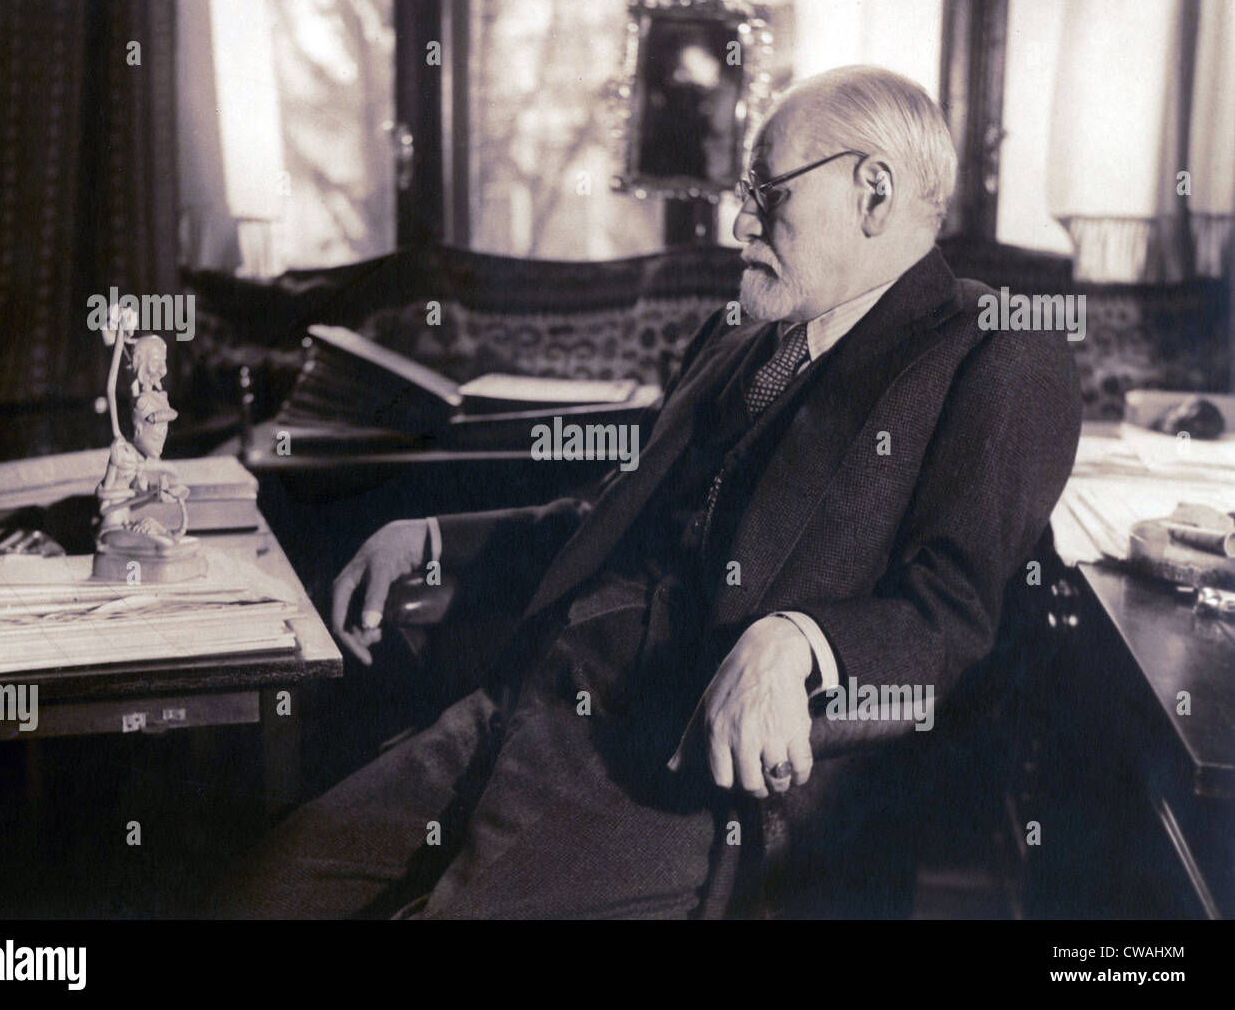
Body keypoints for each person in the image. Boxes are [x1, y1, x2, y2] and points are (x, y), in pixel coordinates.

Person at [205, 65, 1081, 919]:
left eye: (767, 193)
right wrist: (434, 536)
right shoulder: (742, 331)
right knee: (258, 892)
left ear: (874, 193)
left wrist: (802, 641)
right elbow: (610, 522)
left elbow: (951, 616)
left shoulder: (990, 350)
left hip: (674, 774)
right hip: (530, 699)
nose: (739, 221)